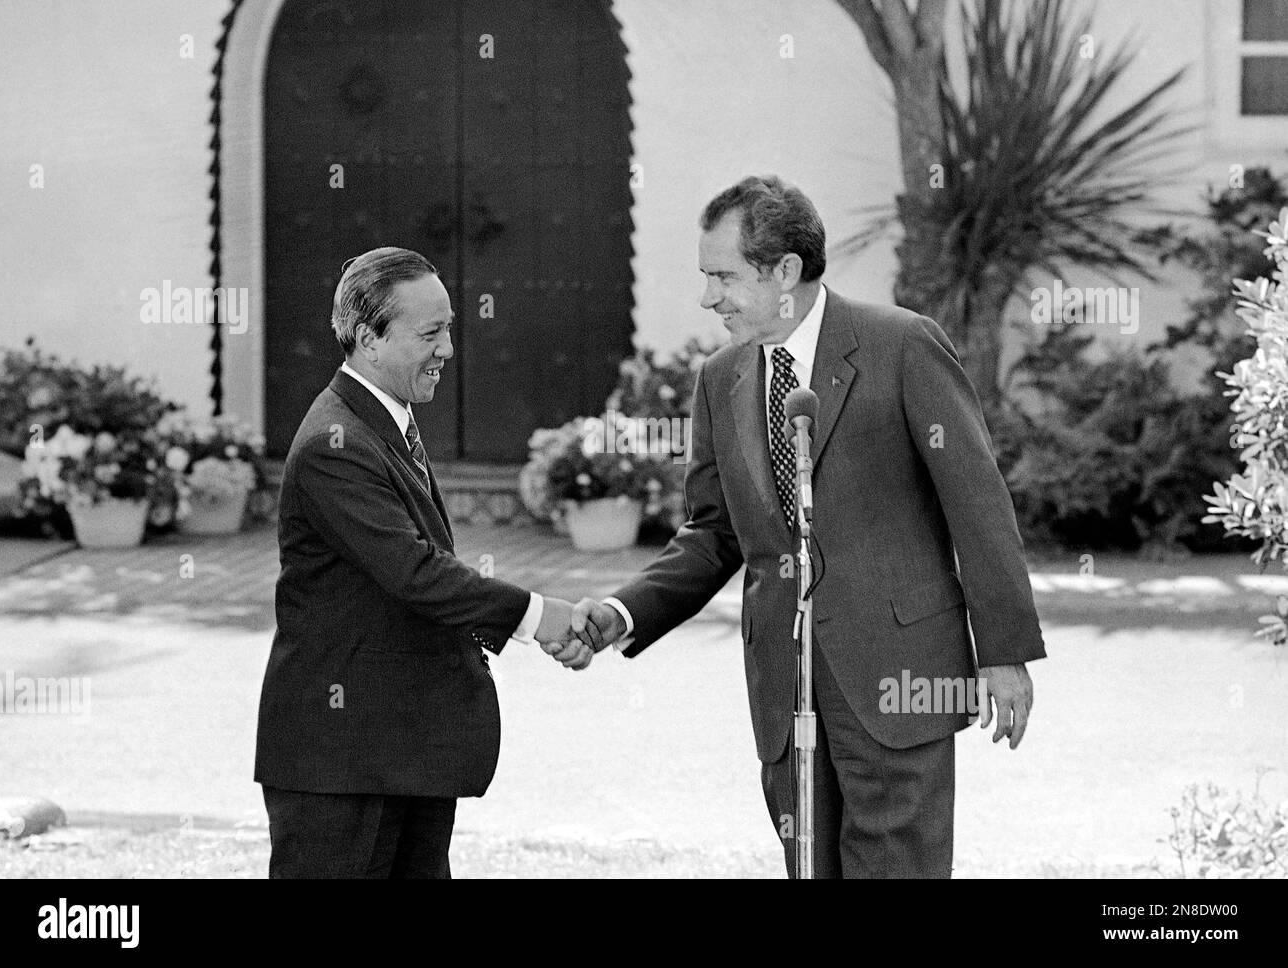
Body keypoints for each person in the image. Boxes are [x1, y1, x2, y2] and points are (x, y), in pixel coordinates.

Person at [569, 176, 1046, 878]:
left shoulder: (904, 345)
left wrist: (1004, 650)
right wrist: (622, 611)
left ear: (784, 271)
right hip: (782, 690)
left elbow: (976, 504)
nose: (709, 298)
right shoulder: (721, 378)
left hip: (899, 681)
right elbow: (713, 534)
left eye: (723, 276)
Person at [254, 247, 595, 879]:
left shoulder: (386, 422)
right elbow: (415, 572)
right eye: (430, 333)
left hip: (402, 750)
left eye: (449, 329)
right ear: (368, 338)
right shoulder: (338, 443)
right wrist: (540, 616)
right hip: (344, 766)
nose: (448, 349)